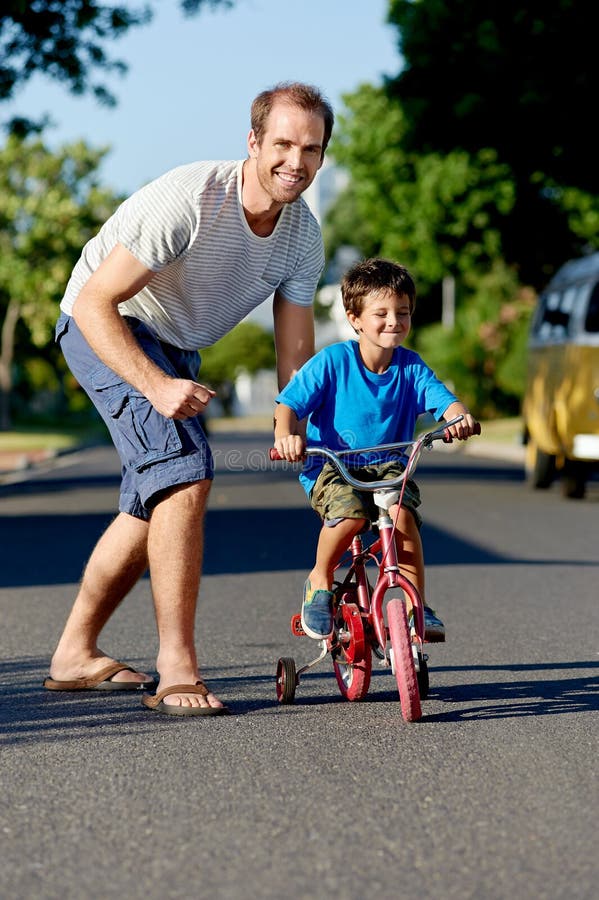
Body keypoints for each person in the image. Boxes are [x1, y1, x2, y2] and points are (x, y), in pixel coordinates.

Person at [44, 81, 334, 716]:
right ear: (253, 141)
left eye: (311, 149)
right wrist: (155, 383)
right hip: (106, 324)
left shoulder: (302, 238)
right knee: (186, 473)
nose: (295, 161)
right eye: (282, 143)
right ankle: (175, 667)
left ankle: (73, 653)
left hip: (176, 346)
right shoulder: (192, 199)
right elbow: (96, 302)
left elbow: (295, 358)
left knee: (153, 502)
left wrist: (307, 426)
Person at [273, 257, 479, 642]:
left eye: (403, 312)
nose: (393, 321)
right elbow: (289, 404)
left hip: (389, 468)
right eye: (381, 313)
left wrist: (459, 418)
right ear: (355, 318)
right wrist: (285, 435)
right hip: (332, 468)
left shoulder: (411, 368)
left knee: (403, 518)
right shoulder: (334, 361)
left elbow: (445, 402)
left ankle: (419, 605)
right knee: (349, 515)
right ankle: (319, 579)